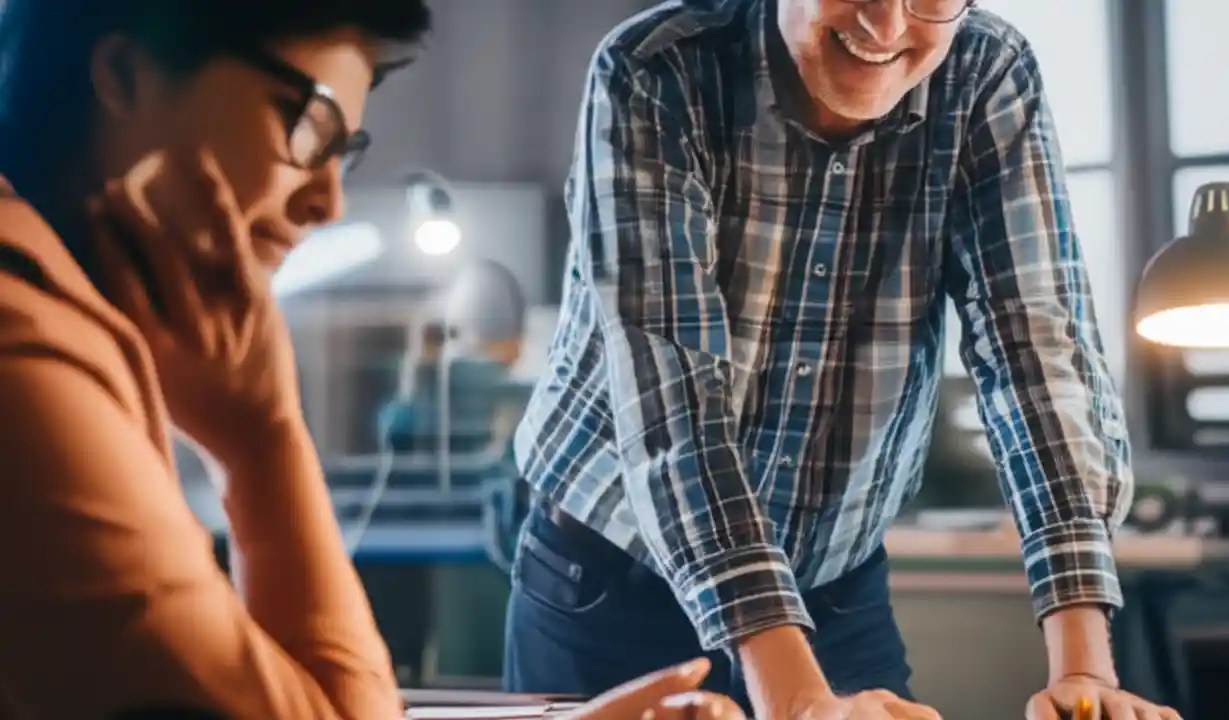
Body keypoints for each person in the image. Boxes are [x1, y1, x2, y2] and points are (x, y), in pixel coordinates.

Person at [0, 2, 746, 719]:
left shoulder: (71, 325)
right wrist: (263, 441)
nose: (328, 204)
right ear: (127, 74)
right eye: (306, 126)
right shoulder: (26, 361)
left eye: (342, 154)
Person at [507, 1, 1181, 719]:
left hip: (835, 588)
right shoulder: (655, 69)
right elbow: (675, 402)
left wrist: (1086, 676)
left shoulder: (988, 72)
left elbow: (1034, 353)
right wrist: (797, 701)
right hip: (614, 579)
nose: (887, 26)